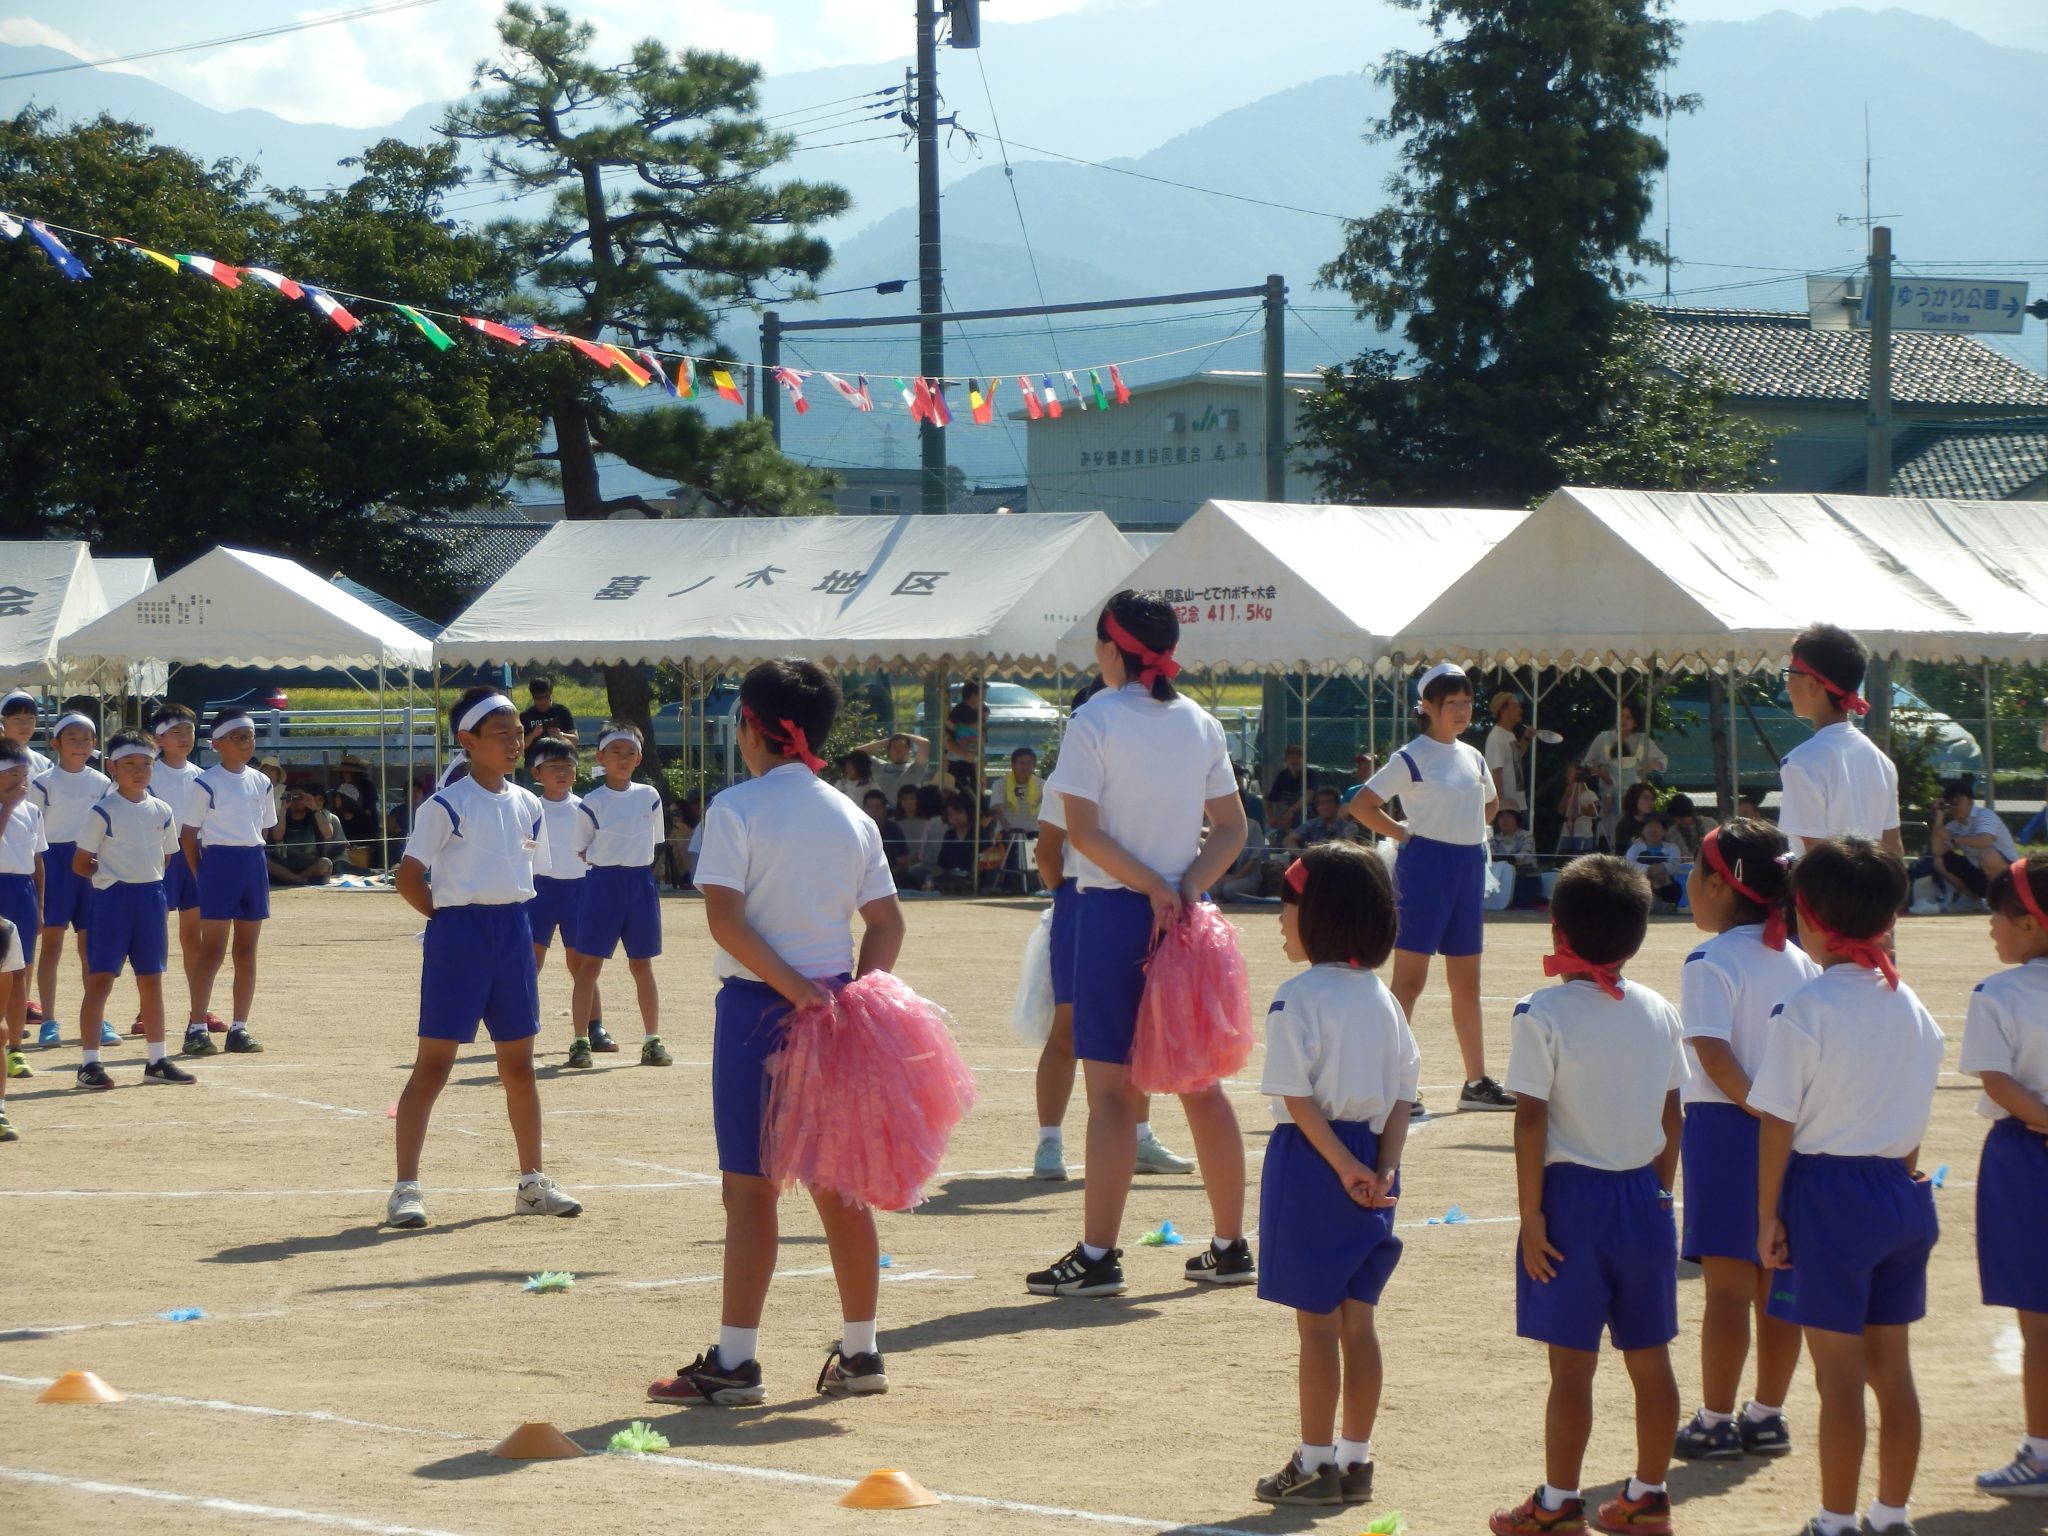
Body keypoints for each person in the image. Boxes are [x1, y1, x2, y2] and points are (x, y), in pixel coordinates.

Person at [645, 658, 905, 1406]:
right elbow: (887, 922)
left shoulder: (736, 807)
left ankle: (736, 1362)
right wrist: (855, 997)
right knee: (840, 1186)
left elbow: (726, 920)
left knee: (749, 1189)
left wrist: (793, 992)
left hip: (759, 1010)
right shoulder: (852, 815)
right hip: (833, 1011)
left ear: (751, 729)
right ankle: (861, 1353)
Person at [1026, 589, 1251, 1298]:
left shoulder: (1094, 718)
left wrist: (1153, 886)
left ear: (1112, 648)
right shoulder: (1200, 722)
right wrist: (1185, 887)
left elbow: (1083, 834)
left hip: (1113, 914)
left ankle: (1098, 1256)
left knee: (1112, 1097)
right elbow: (1234, 828)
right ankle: (1230, 1246)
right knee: (1201, 1085)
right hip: (1184, 916)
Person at [1751, 837, 1942, 1536]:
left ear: (1807, 917)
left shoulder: (1807, 1007)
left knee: (1837, 1379)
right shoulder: (1911, 1004)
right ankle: (1891, 1516)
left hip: (1828, 1196)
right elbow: (1912, 1116)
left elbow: (1778, 1123)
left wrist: (1768, 1215)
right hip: (1899, 1188)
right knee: (1893, 1373)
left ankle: (1834, 1522)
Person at [1491, 855, 1686, 1536]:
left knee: (1571, 1370)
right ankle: (1649, 1496)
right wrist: (1659, 1192)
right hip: (1643, 1196)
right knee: (1651, 1359)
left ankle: (1557, 1505)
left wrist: (1531, 1216)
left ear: (1557, 930)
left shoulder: (1540, 1012)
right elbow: (1673, 1117)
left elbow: (1531, 1121)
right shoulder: (1661, 1010)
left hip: (1570, 1203)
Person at [1251, 843, 1415, 1508]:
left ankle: (1315, 1462)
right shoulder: (1384, 999)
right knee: (1358, 1321)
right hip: (1375, 1160)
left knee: (1316, 1325)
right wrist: (1381, 1167)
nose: (1280, 919)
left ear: (1318, 914)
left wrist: (1343, 1167)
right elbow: (1402, 1097)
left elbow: (1296, 1097)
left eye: (1288, 905)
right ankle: (1355, 1460)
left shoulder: (1296, 997)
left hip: (1315, 1161)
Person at [387, 688, 581, 1230]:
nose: (516, 742)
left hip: (513, 931)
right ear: (467, 741)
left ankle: (532, 1183)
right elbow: (408, 876)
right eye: (502, 735)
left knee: (519, 1064)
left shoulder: (529, 804)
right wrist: (446, 918)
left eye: (519, 733)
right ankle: (405, 1188)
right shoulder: (445, 804)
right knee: (434, 1065)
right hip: (460, 934)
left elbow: (527, 869)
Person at [1672, 819, 1819, 1463]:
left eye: (1693, 870)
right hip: (1793, 1133)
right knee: (1778, 1286)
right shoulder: (1802, 959)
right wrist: (1782, 1114)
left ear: (1717, 885)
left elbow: (1711, 1051)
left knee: (1728, 1292)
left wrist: (1759, 1107)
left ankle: (1714, 1420)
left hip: (1728, 1130)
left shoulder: (1710, 960)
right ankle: (1767, 1415)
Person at [1344, 663, 1515, 1117]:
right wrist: (1405, 834)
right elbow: (1362, 804)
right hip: (1424, 868)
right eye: (1451, 703)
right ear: (1427, 707)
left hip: (1468, 866)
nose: (1462, 711)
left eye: (1467, 702)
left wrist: (1468, 826)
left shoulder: (1474, 755)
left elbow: (1491, 802)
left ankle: (1476, 1083)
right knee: (1409, 982)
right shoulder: (1411, 756)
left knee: (1467, 983)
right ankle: (1392, 1082)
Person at [1030, 783, 1191, 1182]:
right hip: (1087, 902)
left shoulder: (1130, 766)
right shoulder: (1071, 776)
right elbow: (1047, 853)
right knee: (1070, 1024)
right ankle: (1050, 1141)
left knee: (1138, 1023)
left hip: (1132, 902)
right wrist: (1066, 897)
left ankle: (1138, 1137)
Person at [1959, 850, 2048, 1499]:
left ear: (2032, 924)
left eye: (1999, 915)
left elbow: (1996, 1081)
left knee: (2039, 1320)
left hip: (2025, 1156)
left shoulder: (1998, 993)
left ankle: (2041, 1453)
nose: (1991, 926)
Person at [69, 731, 194, 1090]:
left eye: (146, 764)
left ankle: (157, 1059)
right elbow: (80, 862)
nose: (139, 771)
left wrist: (144, 881)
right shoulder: (103, 811)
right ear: (112, 767)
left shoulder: (163, 810)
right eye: (130, 764)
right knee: (100, 980)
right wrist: (110, 877)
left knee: (151, 979)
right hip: (112, 902)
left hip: (151, 898)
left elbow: (166, 857)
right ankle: (89, 1063)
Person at [570, 723, 669, 1067]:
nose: (623, 758)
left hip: (640, 884)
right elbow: (581, 847)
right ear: (601, 757)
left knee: (642, 965)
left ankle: (652, 1040)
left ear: (639, 758)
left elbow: (654, 840)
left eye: (630, 752)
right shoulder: (591, 802)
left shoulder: (649, 796)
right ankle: (580, 1041)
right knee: (589, 966)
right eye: (616, 751)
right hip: (602, 884)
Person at [179, 709, 276, 1057]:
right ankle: (197, 1027)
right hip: (218, 863)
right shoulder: (206, 782)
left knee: (246, 951)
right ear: (217, 743)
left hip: (252, 863)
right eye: (237, 737)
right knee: (213, 950)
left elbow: (263, 829)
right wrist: (201, 874)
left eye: (249, 736)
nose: (246, 743)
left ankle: (239, 1027)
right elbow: (188, 835)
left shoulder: (262, 781)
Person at [1776, 624, 1903, 856]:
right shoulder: (1882, 762)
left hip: (1824, 881)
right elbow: (1893, 847)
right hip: (1876, 880)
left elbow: (1815, 857)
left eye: (1790, 672)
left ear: (1811, 685)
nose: (1787, 683)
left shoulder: (1801, 763)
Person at [29, 711, 111, 1051]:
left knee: (91, 946)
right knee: (52, 944)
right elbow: (31, 832)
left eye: (86, 739)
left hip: (90, 863)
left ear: (95, 743)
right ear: (55, 743)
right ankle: (49, 1020)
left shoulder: (103, 782)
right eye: (72, 739)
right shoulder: (42, 783)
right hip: (54, 865)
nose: (80, 745)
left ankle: (98, 1018)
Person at [525, 738, 609, 1068]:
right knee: (531, 963)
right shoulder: (530, 807)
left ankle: (594, 1027)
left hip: (579, 891)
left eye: (568, 766)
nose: (561, 773)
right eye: (553, 767)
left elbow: (600, 845)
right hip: (540, 891)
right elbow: (524, 846)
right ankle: (524, 1025)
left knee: (582, 965)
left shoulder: (585, 807)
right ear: (537, 773)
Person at [146, 704, 220, 1040]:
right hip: (157, 857)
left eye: (189, 730)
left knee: (193, 938)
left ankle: (198, 1010)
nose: (184, 737)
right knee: (153, 938)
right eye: (175, 731)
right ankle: (146, 1010)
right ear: (158, 738)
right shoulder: (148, 773)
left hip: (191, 855)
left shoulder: (202, 777)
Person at [0, 739, 45, 1088]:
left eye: (24, 775)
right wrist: (7, 807)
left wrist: (39, 905)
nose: (21, 782)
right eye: (12, 774)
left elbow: (37, 861)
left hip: (21, 892)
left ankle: (15, 1048)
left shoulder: (32, 811)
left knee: (19, 975)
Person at [1914, 778, 2017, 914]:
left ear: (1970, 801)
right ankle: (1973, 899)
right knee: (1939, 861)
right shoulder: (1954, 826)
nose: (1954, 805)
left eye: (1958, 800)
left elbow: (1985, 841)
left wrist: (1954, 840)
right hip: (1979, 870)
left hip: (2008, 872)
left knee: (1987, 854)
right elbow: (1937, 850)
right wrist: (1938, 819)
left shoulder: (1985, 815)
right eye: (1951, 802)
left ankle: (2002, 898)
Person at [1584, 703, 1668, 850]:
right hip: (1610, 797)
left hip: (1634, 802)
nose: (1623, 720)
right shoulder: (1604, 738)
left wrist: (1644, 769)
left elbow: (1663, 761)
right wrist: (1601, 773)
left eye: (1628, 717)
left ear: (1636, 721)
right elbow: (1587, 763)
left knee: (1632, 838)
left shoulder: (1642, 740)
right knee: (1609, 836)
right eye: (1621, 715)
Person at [266, 784, 342, 887]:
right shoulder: (282, 817)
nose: (296, 801)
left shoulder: (318, 815)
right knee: (267, 862)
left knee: (325, 863)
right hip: (287, 863)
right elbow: (277, 837)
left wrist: (314, 808)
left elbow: (328, 833)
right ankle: (299, 880)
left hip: (311, 863)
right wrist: (283, 809)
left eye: (299, 797)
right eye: (292, 797)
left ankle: (295, 879)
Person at [1624, 812, 1685, 911]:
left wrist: (1662, 867)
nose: (1653, 830)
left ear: (1665, 831)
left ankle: (1667, 903)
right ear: (1642, 831)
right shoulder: (1635, 848)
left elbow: (1675, 865)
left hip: (1664, 882)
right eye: (1649, 826)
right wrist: (1648, 869)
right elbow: (1629, 864)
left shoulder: (1672, 847)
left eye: (1657, 826)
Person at [1486, 692, 1530, 818]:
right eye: (1515, 706)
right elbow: (1496, 773)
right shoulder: (1496, 737)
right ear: (1503, 710)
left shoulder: (1509, 734)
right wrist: (1501, 806)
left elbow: (1517, 756)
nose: (1520, 710)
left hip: (1517, 804)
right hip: (1507, 808)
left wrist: (1526, 738)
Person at [859, 732, 933, 806]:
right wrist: (889, 740)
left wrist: (903, 735)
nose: (898, 749)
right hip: (884, 811)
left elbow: (925, 744)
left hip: (909, 811)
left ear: (908, 750)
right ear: (889, 751)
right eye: (894, 746)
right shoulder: (879, 767)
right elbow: (858, 752)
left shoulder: (916, 768)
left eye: (902, 746)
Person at [1286, 786, 1362, 851]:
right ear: (1317, 807)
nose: (1325, 806)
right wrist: (1301, 854)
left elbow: (1354, 848)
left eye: (1329, 802)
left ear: (1337, 806)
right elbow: (1288, 840)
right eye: (1322, 803)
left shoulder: (1348, 826)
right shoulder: (1311, 824)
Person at [519, 676, 578, 759]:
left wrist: (560, 735)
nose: (543, 701)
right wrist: (533, 735)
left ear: (551, 694)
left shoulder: (562, 712)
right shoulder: (526, 716)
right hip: (534, 761)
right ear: (533, 697)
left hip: (560, 759)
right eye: (538, 698)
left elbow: (575, 740)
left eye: (546, 697)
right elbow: (520, 746)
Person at [1, 690, 52, 777]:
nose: (25, 725)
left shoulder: (45, 765)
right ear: (2, 722)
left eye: (30, 718)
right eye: (17, 719)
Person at [945, 682, 984, 792]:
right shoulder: (960, 711)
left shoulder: (975, 712)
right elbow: (949, 733)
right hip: (958, 760)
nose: (983, 698)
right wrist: (965, 754)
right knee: (962, 793)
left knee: (973, 792)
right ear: (973, 695)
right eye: (982, 694)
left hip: (970, 759)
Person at [1265, 743, 1312, 834]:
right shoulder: (1283, 775)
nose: (1295, 760)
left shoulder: (1310, 774)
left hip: (1307, 816)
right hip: (1288, 815)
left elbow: (1308, 796)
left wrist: (1291, 811)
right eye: (1292, 757)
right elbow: (1269, 800)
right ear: (1286, 760)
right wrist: (1271, 817)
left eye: (1299, 757)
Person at [1557, 762, 1601, 855]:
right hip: (1566, 834)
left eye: (1570, 773)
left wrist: (1578, 806)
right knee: (1564, 859)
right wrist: (1567, 795)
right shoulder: (1568, 793)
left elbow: (1594, 813)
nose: (1567, 776)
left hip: (1583, 835)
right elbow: (1561, 811)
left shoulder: (1590, 794)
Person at [861, 790, 908, 874]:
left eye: (878, 807)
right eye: (870, 807)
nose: (874, 810)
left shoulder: (894, 830)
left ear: (885, 808)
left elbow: (902, 861)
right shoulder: (858, 830)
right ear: (863, 809)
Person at [1613, 782, 1659, 859]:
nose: (1650, 802)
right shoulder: (1624, 825)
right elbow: (1621, 854)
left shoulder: (1658, 821)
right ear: (1634, 799)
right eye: (1646, 798)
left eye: (1652, 799)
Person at [1664, 793, 1715, 862]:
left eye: (1683, 817)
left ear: (1691, 813)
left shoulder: (1710, 823)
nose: (1680, 820)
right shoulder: (1671, 833)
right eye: (1677, 817)